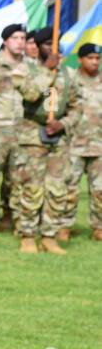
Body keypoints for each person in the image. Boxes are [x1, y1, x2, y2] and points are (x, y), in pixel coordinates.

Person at [0, 24, 43, 237]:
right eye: (15, 37)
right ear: (5, 41)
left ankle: (9, 217)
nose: (20, 42)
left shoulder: (32, 66)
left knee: (17, 178)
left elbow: (41, 93)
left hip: (23, 129)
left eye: (23, 38)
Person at [30, 27, 79, 252]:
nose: (52, 48)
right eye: (47, 43)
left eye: (55, 43)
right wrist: (47, 72)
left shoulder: (68, 74)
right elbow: (29, 94)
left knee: (57, 188)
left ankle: (49, 235)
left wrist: (63, 123)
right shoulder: (28, 70)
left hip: (58, 137)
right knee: (31, 188)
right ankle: (27, 235)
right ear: (39, 46)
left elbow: (76, 107)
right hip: (31, 136)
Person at [59, 43, 102, 241]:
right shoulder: (69, 80)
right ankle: (64, 226)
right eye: (90, 58)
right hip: (73, 144)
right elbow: (51, 100)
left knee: (100, 191)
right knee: (69, 188)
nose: (94, 62)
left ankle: (99, 227)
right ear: (81, 59)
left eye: (97, 58)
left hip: (99, 145)